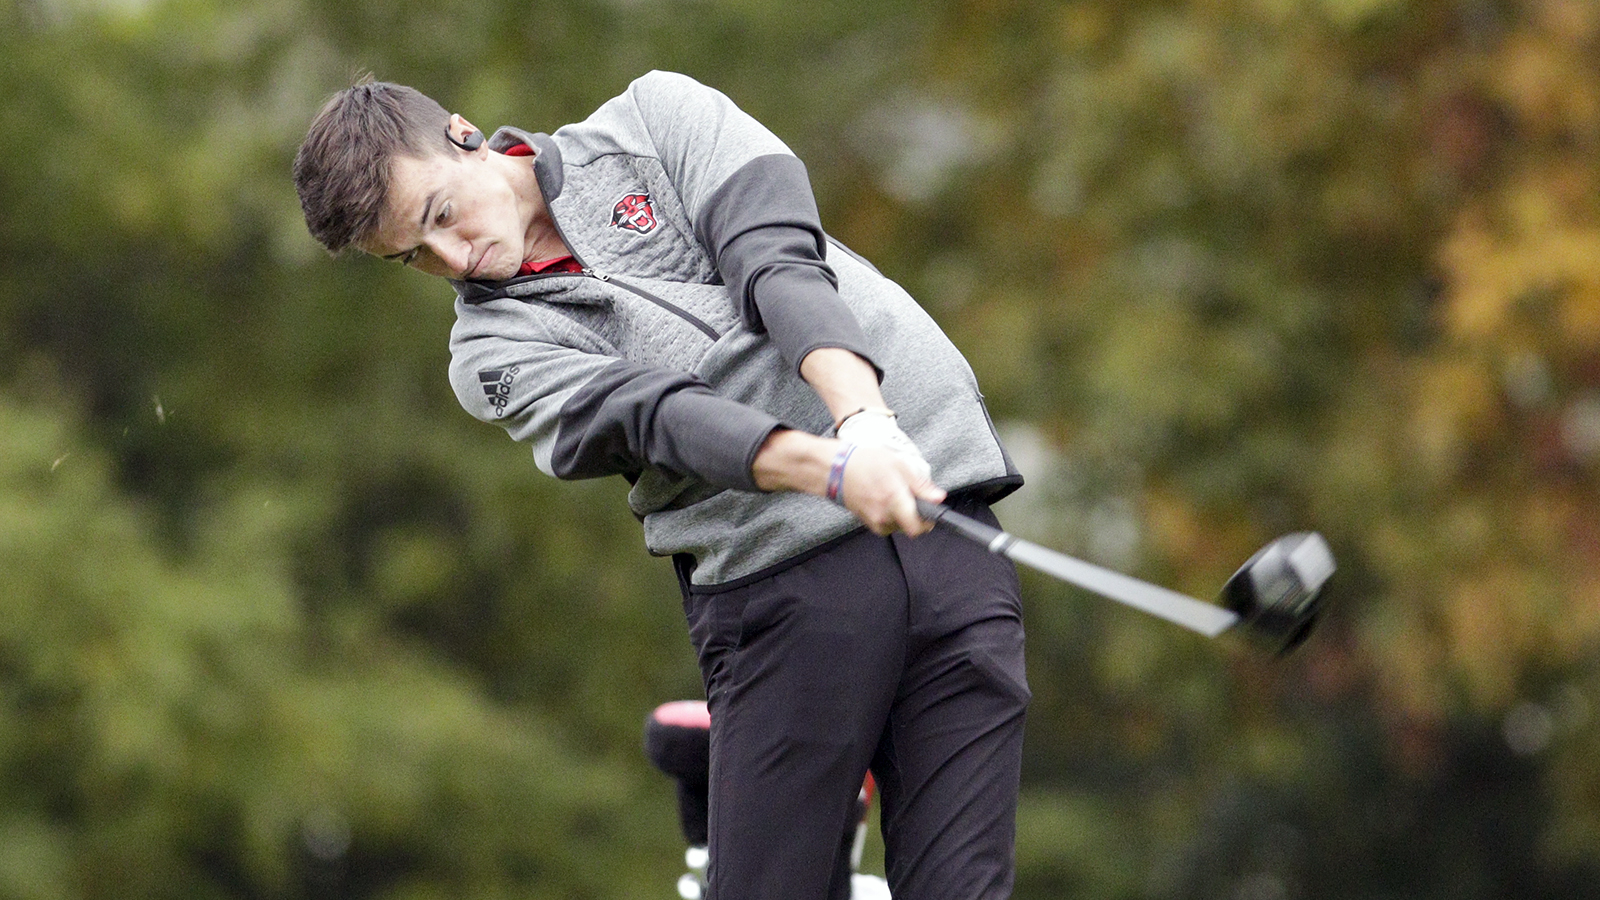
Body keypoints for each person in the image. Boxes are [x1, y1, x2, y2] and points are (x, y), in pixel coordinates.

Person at [293, 70, 1030, 900]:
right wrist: (832, 465)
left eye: (440, 216)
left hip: (942, 514)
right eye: (413, 258)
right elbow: (661, 417)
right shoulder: (491, 357)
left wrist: (864, 422)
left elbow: (777, 260)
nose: (457, 259)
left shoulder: (656, 118)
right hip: (783, 590)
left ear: (464, 134)